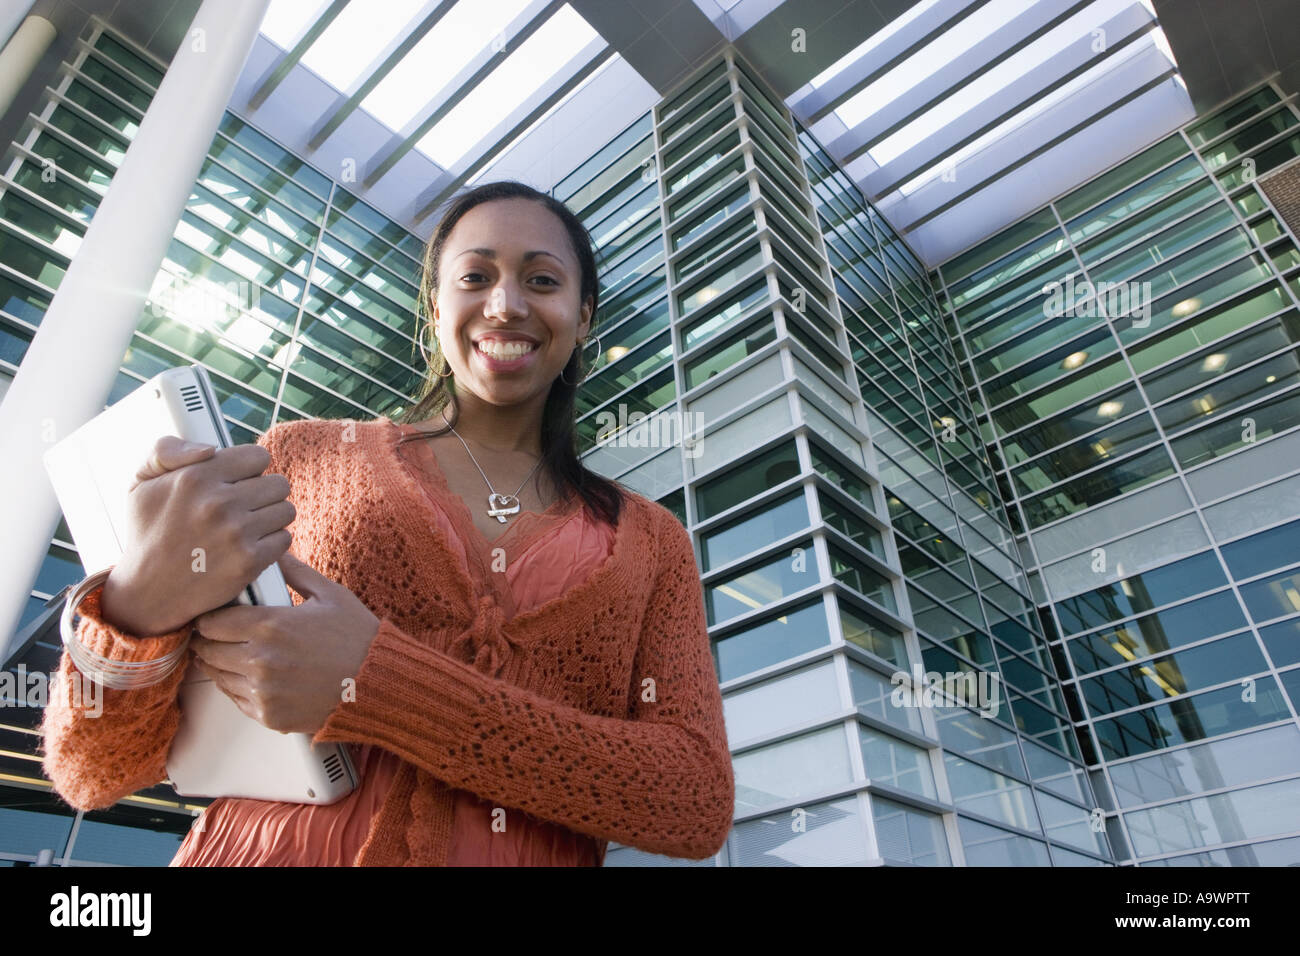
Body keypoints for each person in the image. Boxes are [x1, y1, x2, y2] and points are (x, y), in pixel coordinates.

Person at [39, 180, 735, 866]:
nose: (506, 304)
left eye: (543, 281)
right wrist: (135, 604)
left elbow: (695, 801)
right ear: (436, 308)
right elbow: (90, 772)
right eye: (475, 275)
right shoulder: (302, 456)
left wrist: (379, 685)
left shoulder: (652, 540)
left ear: (583, 317)